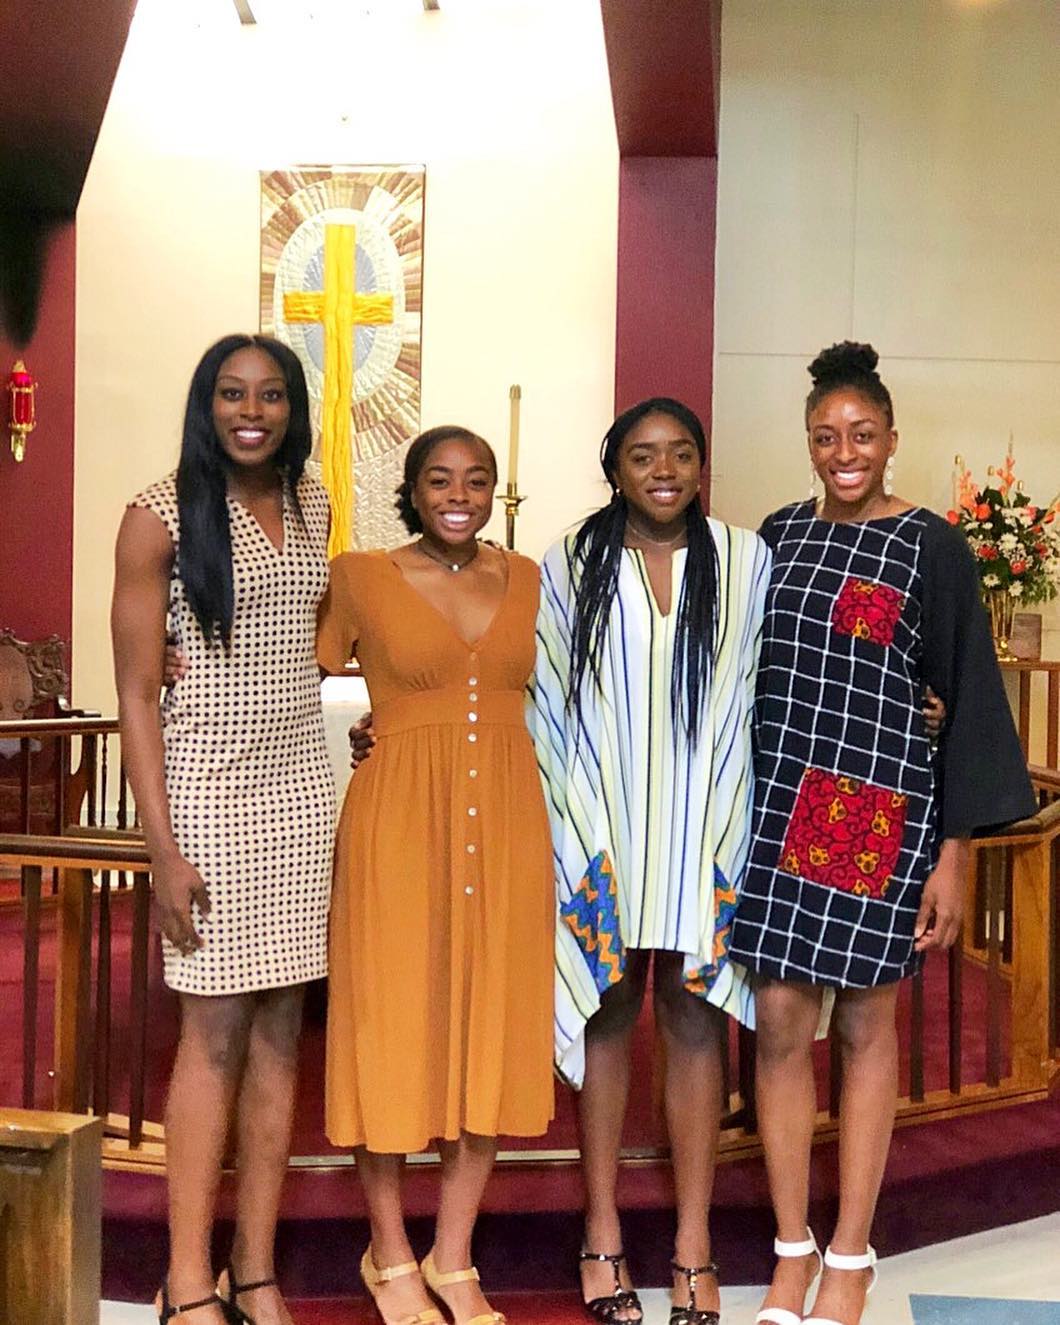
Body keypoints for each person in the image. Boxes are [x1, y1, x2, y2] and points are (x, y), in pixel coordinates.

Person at [727, 342, 1036, 1325]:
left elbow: (970, 696)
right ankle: (790, 1248)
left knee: (865, 1031)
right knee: (778, 1022)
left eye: (861, 434)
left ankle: (850, 1253)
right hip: (779, 807)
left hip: (879, 816)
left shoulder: (929, 545)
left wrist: (952, 852)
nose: (843, 451)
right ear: (808, 444)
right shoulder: (776, 532)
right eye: (826, 436)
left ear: (891, 439)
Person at [528, 398, 770, 1325]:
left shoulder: (747, 558)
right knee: (610, 1007)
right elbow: (544, 695)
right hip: (604, 819)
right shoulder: (573, 562)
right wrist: (568, 825)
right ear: (615, 467)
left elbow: (765, 683)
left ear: (701, 464)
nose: (661, 469)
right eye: (641, 455)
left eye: (678, 453)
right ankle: (602, 1234)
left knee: (696, 1015)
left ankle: (694, 1244)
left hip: (709, 817)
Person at [112, 334, 335, 1325]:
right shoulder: (156, 516)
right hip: (205, 796)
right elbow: (133, 693)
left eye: (274, 393)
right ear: (208, 404)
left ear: (293, 408)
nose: (255, 410)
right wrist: (162, 846)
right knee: (213, 1032)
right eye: (235, 393)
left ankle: (255, 1268)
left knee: (284, 1030)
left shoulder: (314, 504)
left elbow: (313, 649)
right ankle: (188, 1276)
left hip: (299, 793)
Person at [316, 426, 554, 1325]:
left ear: (495, 490)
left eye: (478, 479)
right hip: (396, 827)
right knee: (392, 1029)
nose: (460, 493)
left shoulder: (529, 578)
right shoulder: (360, 574)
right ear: (411, 491)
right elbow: (298, 670)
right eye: (440, 479)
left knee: (485, 1028)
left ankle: (453, 1257)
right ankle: (388, 1252)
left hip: (506, 822)